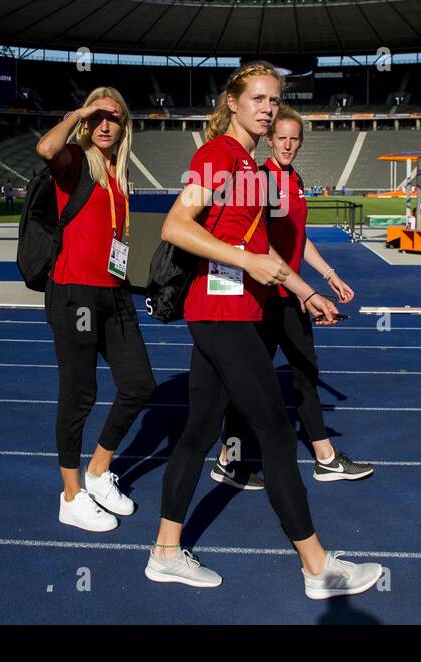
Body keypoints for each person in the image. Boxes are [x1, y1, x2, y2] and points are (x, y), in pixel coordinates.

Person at [146, 61, 384, 599]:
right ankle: (318, 567)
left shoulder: (250, 167)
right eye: (257, 98)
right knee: (276, 435)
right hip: (219, 313)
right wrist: (244, 261)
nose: (268, 108)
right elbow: (174, 226)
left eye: (274, 100)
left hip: (231, 313)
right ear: (233, 102)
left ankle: (164, 552)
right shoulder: (217, 156)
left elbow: (261, 247)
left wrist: (305, 290)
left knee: (198, 432)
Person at [213, 106, 374, 489]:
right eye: (281, 137)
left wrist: (329, 274)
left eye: (294, 138)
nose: (287, 144)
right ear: (269, 140)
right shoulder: (263, 179)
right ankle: (233, 459)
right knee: (267, 378)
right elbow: (262, 243)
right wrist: (305, 289)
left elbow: (299, 238)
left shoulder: (294, 179)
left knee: (302, 372)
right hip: (270, 295)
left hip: (292, 293)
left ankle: (320, 457)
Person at [36, 88, 156, 532]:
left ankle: (99, 471)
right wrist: (78, 113)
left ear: (125, 126)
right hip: (74, 294)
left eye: (115, 117)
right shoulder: (72, 160)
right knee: (80, 394)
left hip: (114, 292)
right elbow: (45, 147)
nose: (106, 124)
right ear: (87, 122)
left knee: (140, 384)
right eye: (99, 117)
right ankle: (70, 496)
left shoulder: (118, 174)